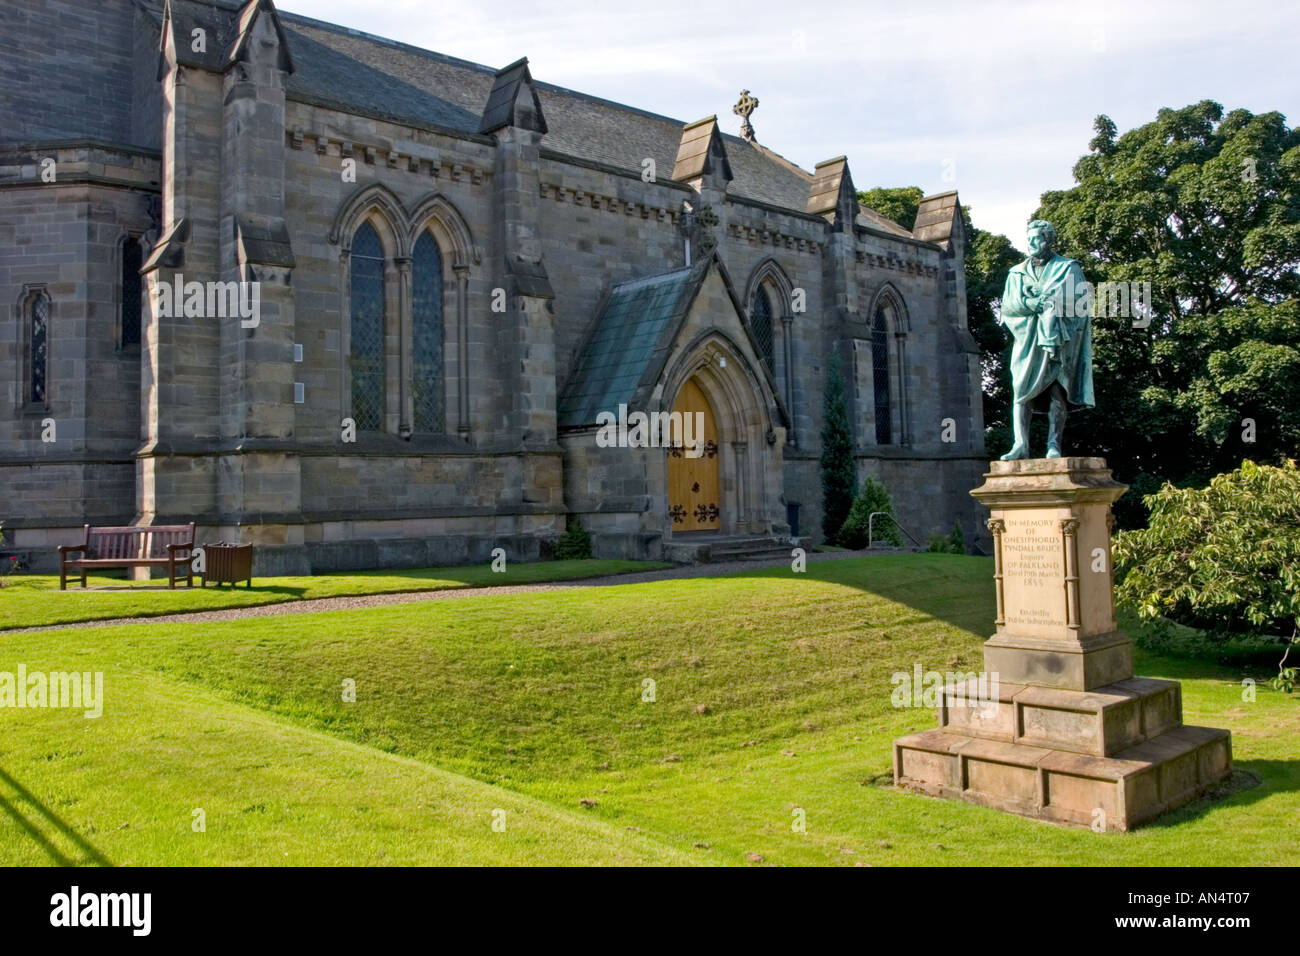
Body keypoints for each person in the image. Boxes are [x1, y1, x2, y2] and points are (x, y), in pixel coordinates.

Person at [998, 219, 1094, 459]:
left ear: (1049, 240)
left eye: (1037, 238)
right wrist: (1032, 303)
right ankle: (1020, 445)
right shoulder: (1016, 272)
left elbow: (1081, 303)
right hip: (1028, 340)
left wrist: (1053, 304)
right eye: (1028, 239)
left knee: (1056, 391)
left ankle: (1054, 445)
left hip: (1058, 340)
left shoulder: (1068, 268)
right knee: (1020, 390)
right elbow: (1008, 306)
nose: (1031, 243)